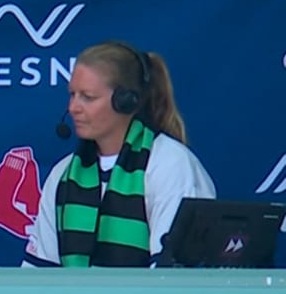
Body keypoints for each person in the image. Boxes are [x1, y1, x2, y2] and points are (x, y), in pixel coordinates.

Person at [23, 40, 215, 268]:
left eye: (88, 97)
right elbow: (40, 273)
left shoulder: (169, 164)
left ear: (125, 101)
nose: (73, 107)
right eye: (72, 94)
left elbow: (171, 278)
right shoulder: (63, 174)